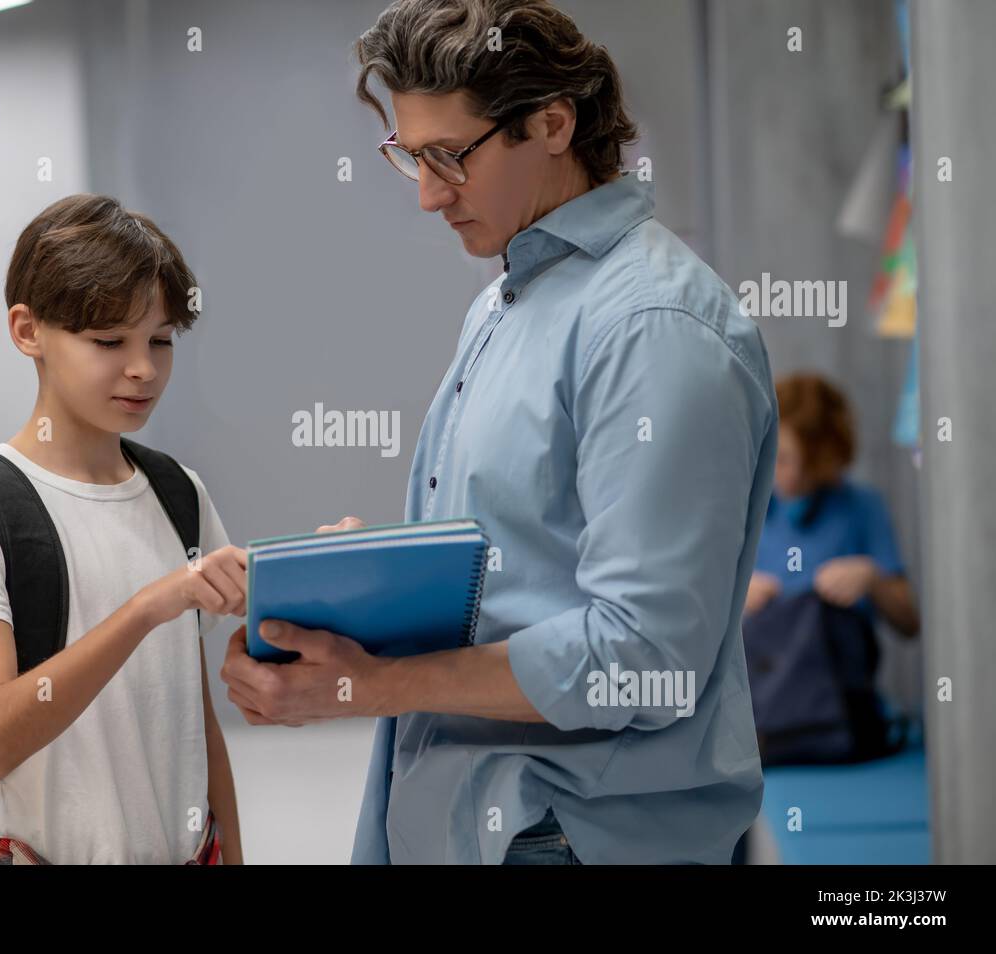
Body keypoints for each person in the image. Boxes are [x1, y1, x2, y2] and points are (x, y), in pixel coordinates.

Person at [221, 0, 778, 865]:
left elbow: (645, 654)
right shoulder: (503, 303)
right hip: (468, 816)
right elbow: (526, 571)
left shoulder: (655, 325)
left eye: (450, 157)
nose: (427, 195)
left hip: (569, 834)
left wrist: (371, 686)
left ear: (553, 123)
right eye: (409, 156)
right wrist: (379, 592)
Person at [0, 195, 247, 864]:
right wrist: (148, 608)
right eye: (109, 341)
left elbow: (194, 721)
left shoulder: (179, 493)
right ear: (28, 331)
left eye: (162, 340)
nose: (143, 368)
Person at [747, 373, 920, 637]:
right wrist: (736, 596)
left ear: (818, 461)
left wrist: (872, 579)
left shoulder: (861, 507)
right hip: (760, 674)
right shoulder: (748, 508)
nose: (772, 469)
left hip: (835, 673)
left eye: (784, 459)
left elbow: (910, 623)